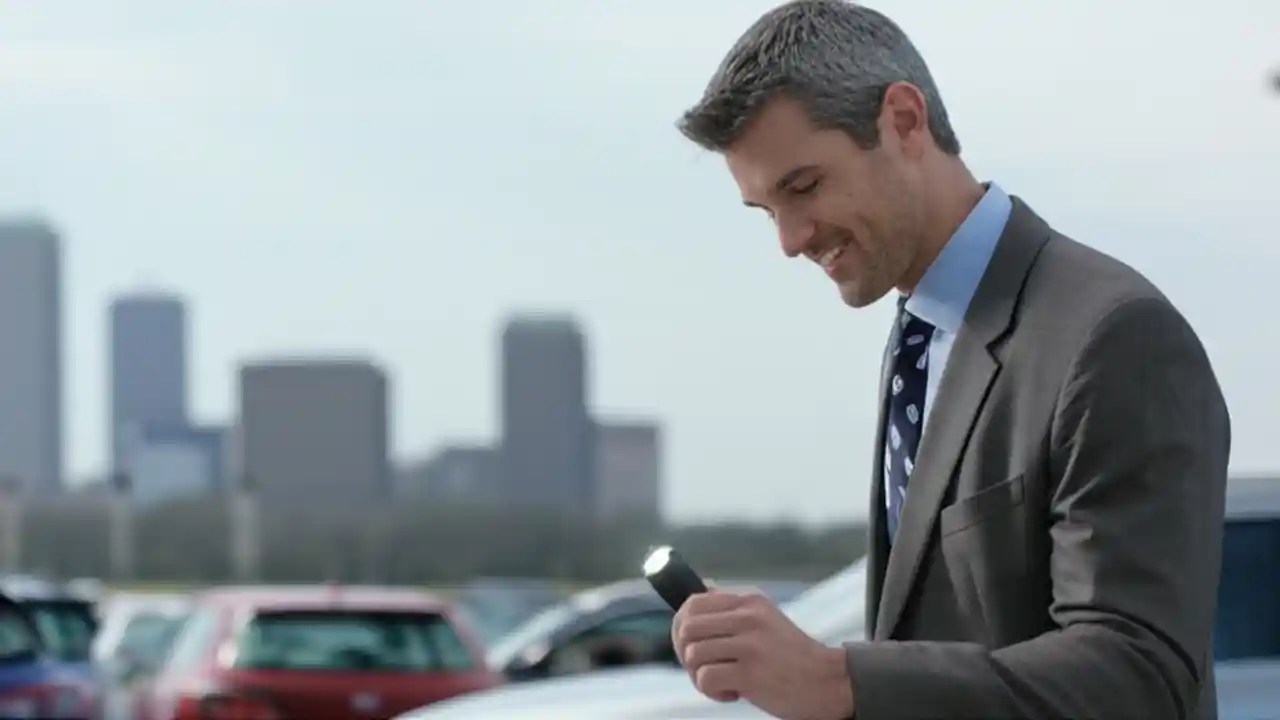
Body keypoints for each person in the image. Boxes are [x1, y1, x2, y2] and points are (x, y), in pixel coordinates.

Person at [668, 2, 1231, 719]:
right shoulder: (921, 338)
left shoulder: (1114, 336)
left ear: (904, 121)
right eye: (766, 211)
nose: (790, 239)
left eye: (803, 187)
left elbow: (1139, 676)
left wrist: (839, 681)